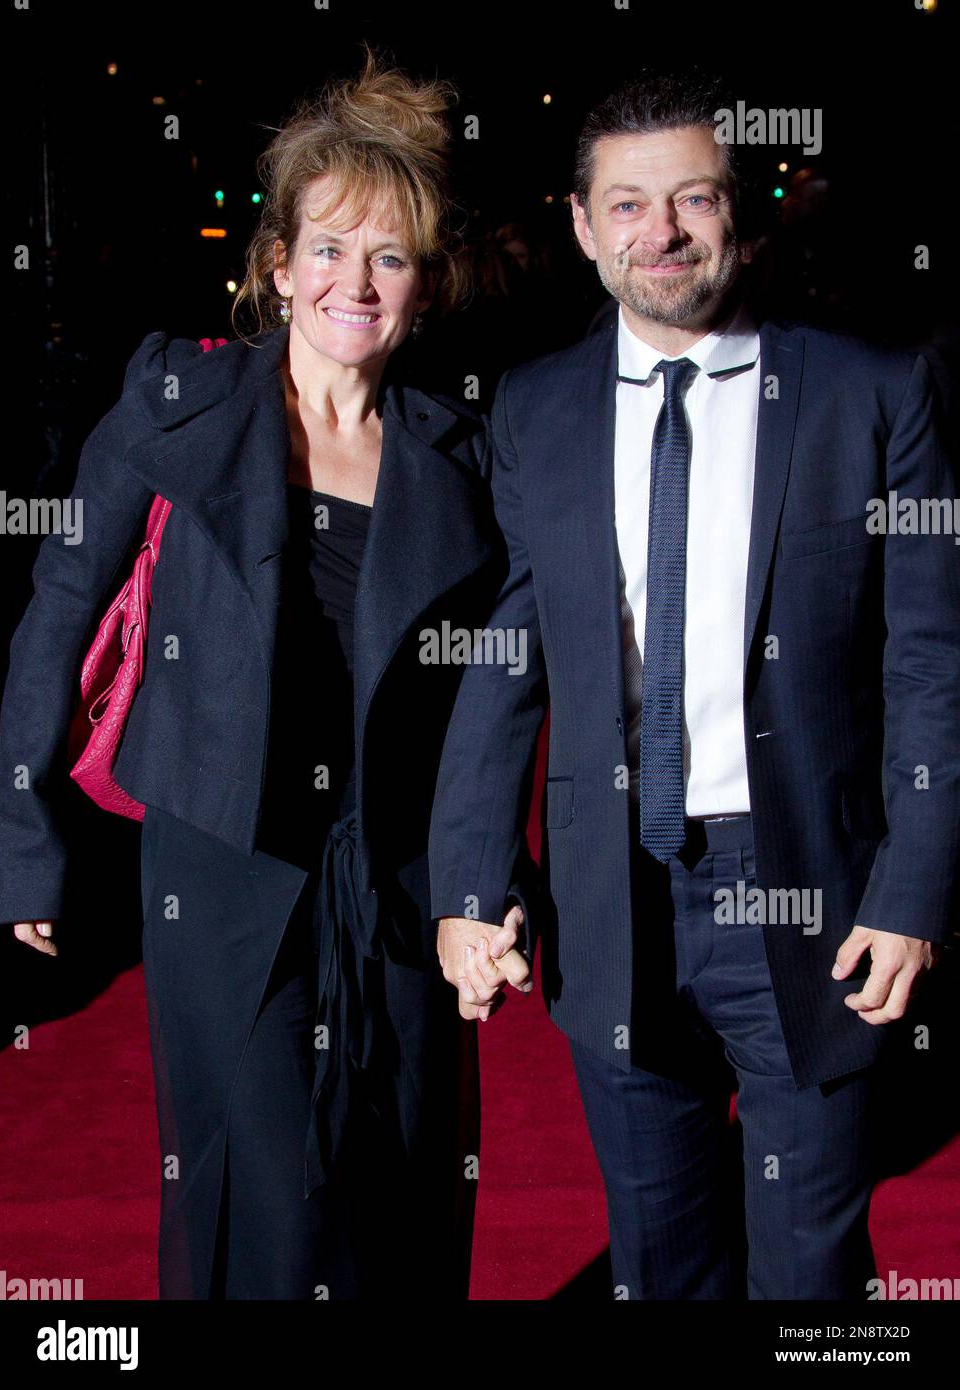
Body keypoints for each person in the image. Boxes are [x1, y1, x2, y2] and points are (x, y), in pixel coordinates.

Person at [0, 50, 531, 1300]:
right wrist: (21, 824)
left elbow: (482, 699)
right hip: (223, 863)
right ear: (276, 267)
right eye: (329, 249)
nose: (356, 281)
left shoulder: (457, 458)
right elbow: (61, 603)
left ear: (421, 286)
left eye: (388, 257)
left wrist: (483, 876)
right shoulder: (178, 402)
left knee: (398, 1156)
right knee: (261, 1178)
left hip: (393, 868)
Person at [430, 70, 960, 1299]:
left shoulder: (870, 392)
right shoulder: (536, 407)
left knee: (808, 1271)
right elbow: (511, 653)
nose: (658, 232)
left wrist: (915, 887)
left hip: (817, 901)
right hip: (609, 896)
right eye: (626, 204)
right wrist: (468, 874)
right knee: (660, 1266)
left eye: (690, 197)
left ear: (739, 209)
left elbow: (931, 659)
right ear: (580, 224)